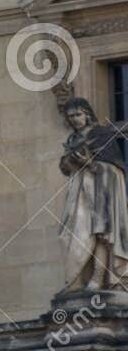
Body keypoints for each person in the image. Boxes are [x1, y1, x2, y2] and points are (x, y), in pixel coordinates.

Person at [58, 98, 128, 291]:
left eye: (78, 115)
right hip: (78, 191)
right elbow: (64, 166)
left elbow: (115, 167)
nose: (74, 120)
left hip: (101, 188)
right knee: (71, 233)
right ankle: (75, 280)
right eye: (70, 116)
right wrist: (71, 161)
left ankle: (98, 278)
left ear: (87, 114)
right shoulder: (72, 140)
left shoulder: (101, 134)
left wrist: (90, 163)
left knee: (101, 232)